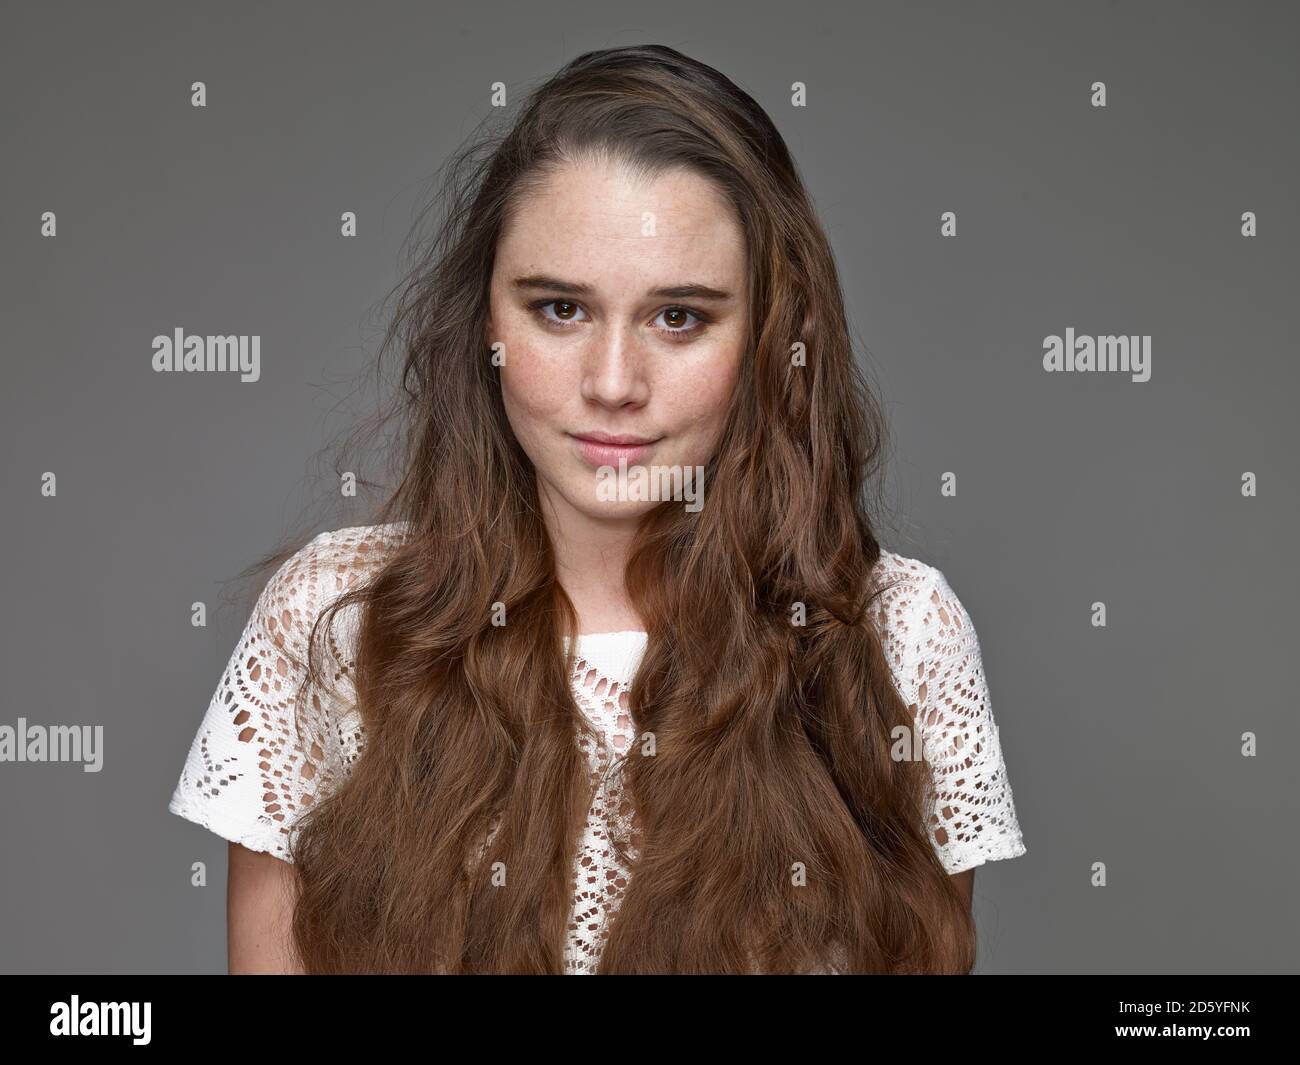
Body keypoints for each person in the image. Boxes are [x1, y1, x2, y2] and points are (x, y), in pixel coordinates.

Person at [168, 43, 1026, 975]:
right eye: (561, 308)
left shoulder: (901, 635)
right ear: (486, 322)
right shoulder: (336, 623)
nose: (614, 384)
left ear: (774, 336)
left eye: (680, 317)